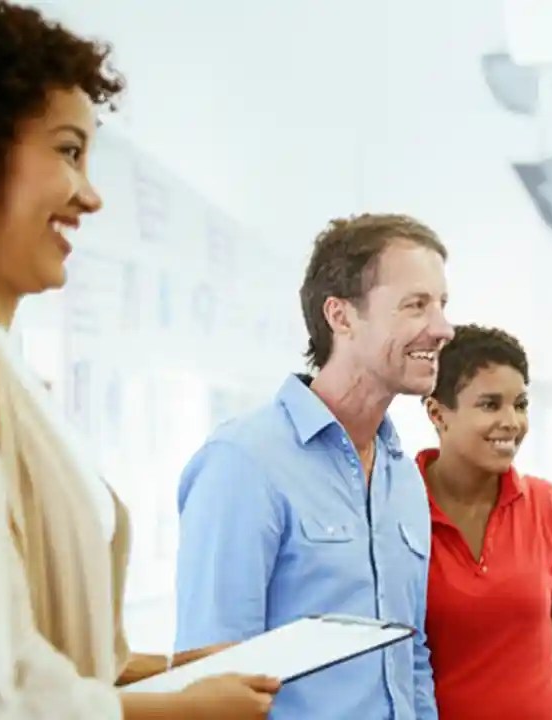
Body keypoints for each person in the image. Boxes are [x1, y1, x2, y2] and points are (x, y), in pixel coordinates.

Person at [0, 1, 278, 717]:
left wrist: (177, 672)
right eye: (67, 151)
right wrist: (188, 709)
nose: (90, 194)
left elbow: (57, 660)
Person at [174, 213, 453, 720]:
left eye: (442, 305)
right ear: (341, 316)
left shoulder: (403, 477)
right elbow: (212, 678)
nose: (442, 329)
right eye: (416, 305)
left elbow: (411, 660)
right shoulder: (244, 463)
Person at [415, 324, 552, 720]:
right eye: (490, 404)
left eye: (521, 404)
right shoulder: (396, 510)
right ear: (437, 413)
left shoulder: (549, 506)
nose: (512, 421)